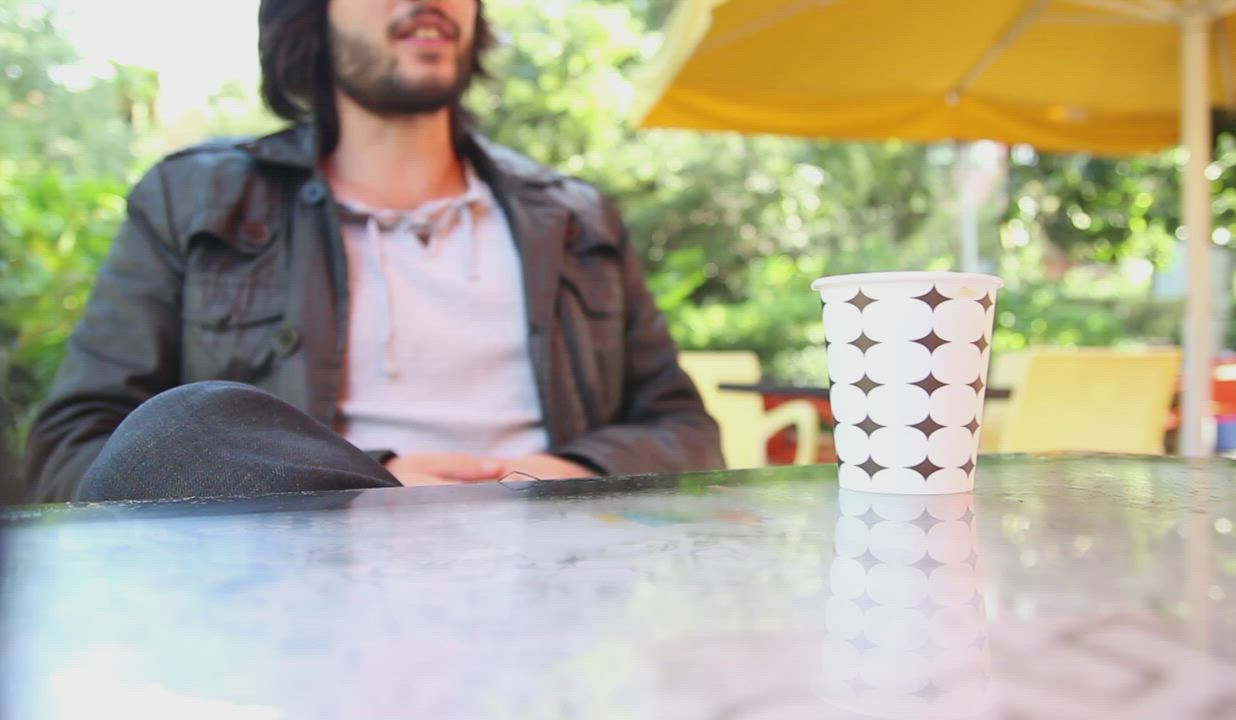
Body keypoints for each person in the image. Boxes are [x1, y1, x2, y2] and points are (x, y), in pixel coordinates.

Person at [22, 0, 722, 503]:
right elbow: (75, 451)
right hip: (294, 604)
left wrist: (566, 471)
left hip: (558, 588)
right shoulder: (192, 201)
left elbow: (686, 429)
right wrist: (368, 483)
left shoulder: (578, 218)